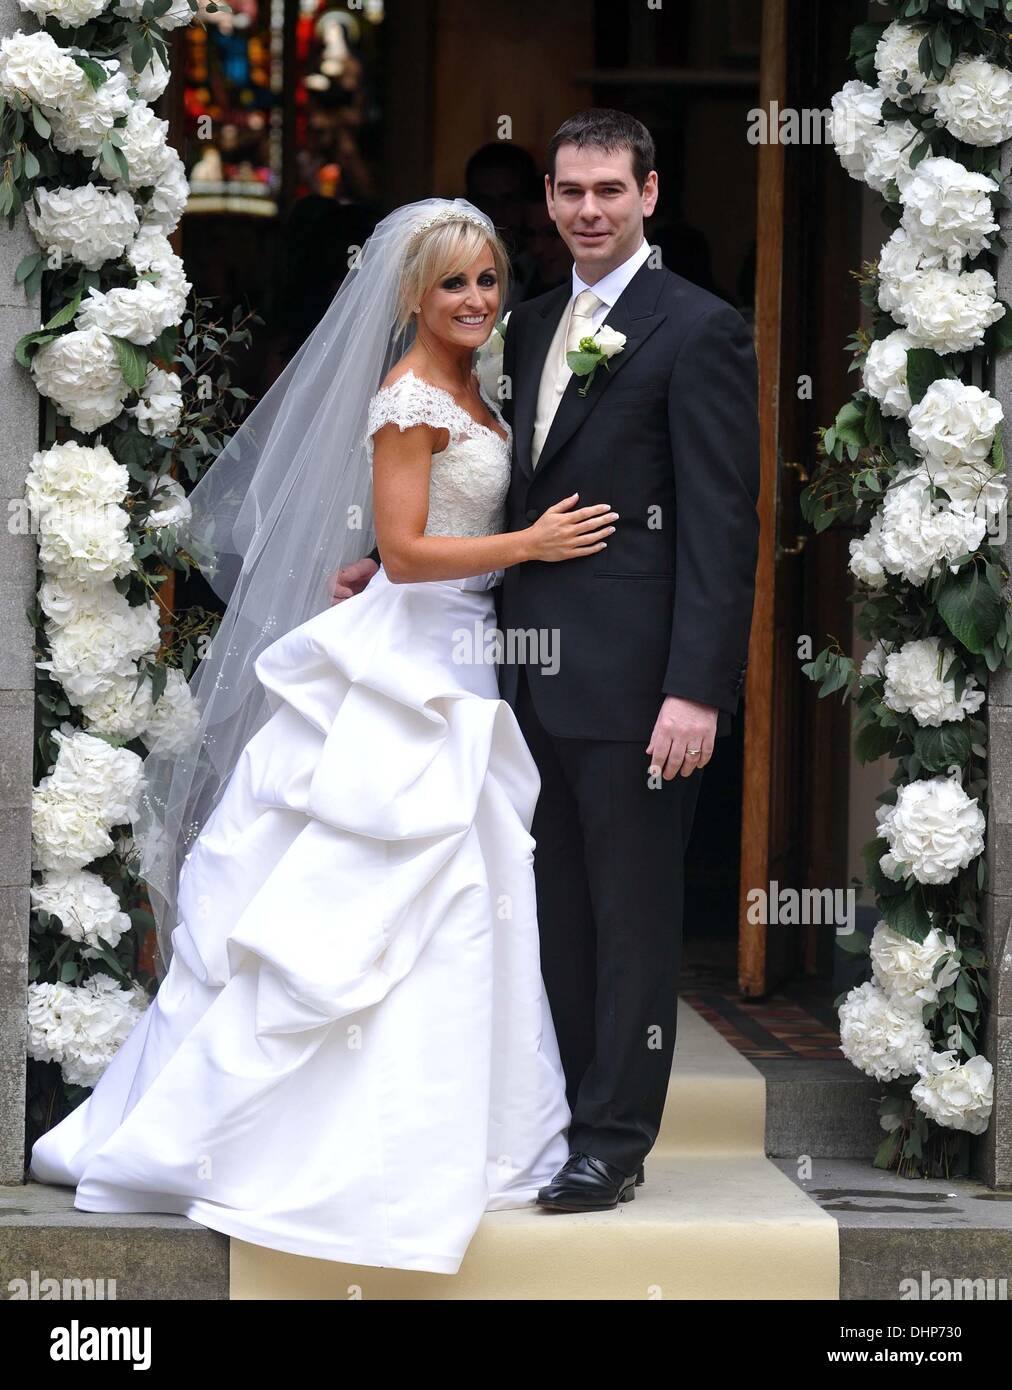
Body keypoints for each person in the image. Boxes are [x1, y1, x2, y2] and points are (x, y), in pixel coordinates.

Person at [28, 198, 617, 1275]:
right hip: (413, 660)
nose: (478, 300)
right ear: (409, 295)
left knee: (461, 886)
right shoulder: (406, 399)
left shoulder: (473, 389)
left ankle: (466, 1128)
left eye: (488, 279)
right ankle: (300, 1141)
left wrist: (475, 554)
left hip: (462, 651)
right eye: (454, 284)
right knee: (374, 880)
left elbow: (413, 541)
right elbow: (399, 544)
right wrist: (526, 542)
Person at [333, 110, 761, 1211]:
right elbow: (480, 488)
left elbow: (722, 526)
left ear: (649, 195)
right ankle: (563, 1111)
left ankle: (613, 1143)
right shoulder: (520, 327)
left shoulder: (698, 329)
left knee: (630, 916)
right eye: (569, 191)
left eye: (608, 191)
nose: (586, 210)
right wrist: (385, 568)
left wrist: (694, 690)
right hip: (513, 680)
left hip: (635, 688)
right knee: (552, 912)